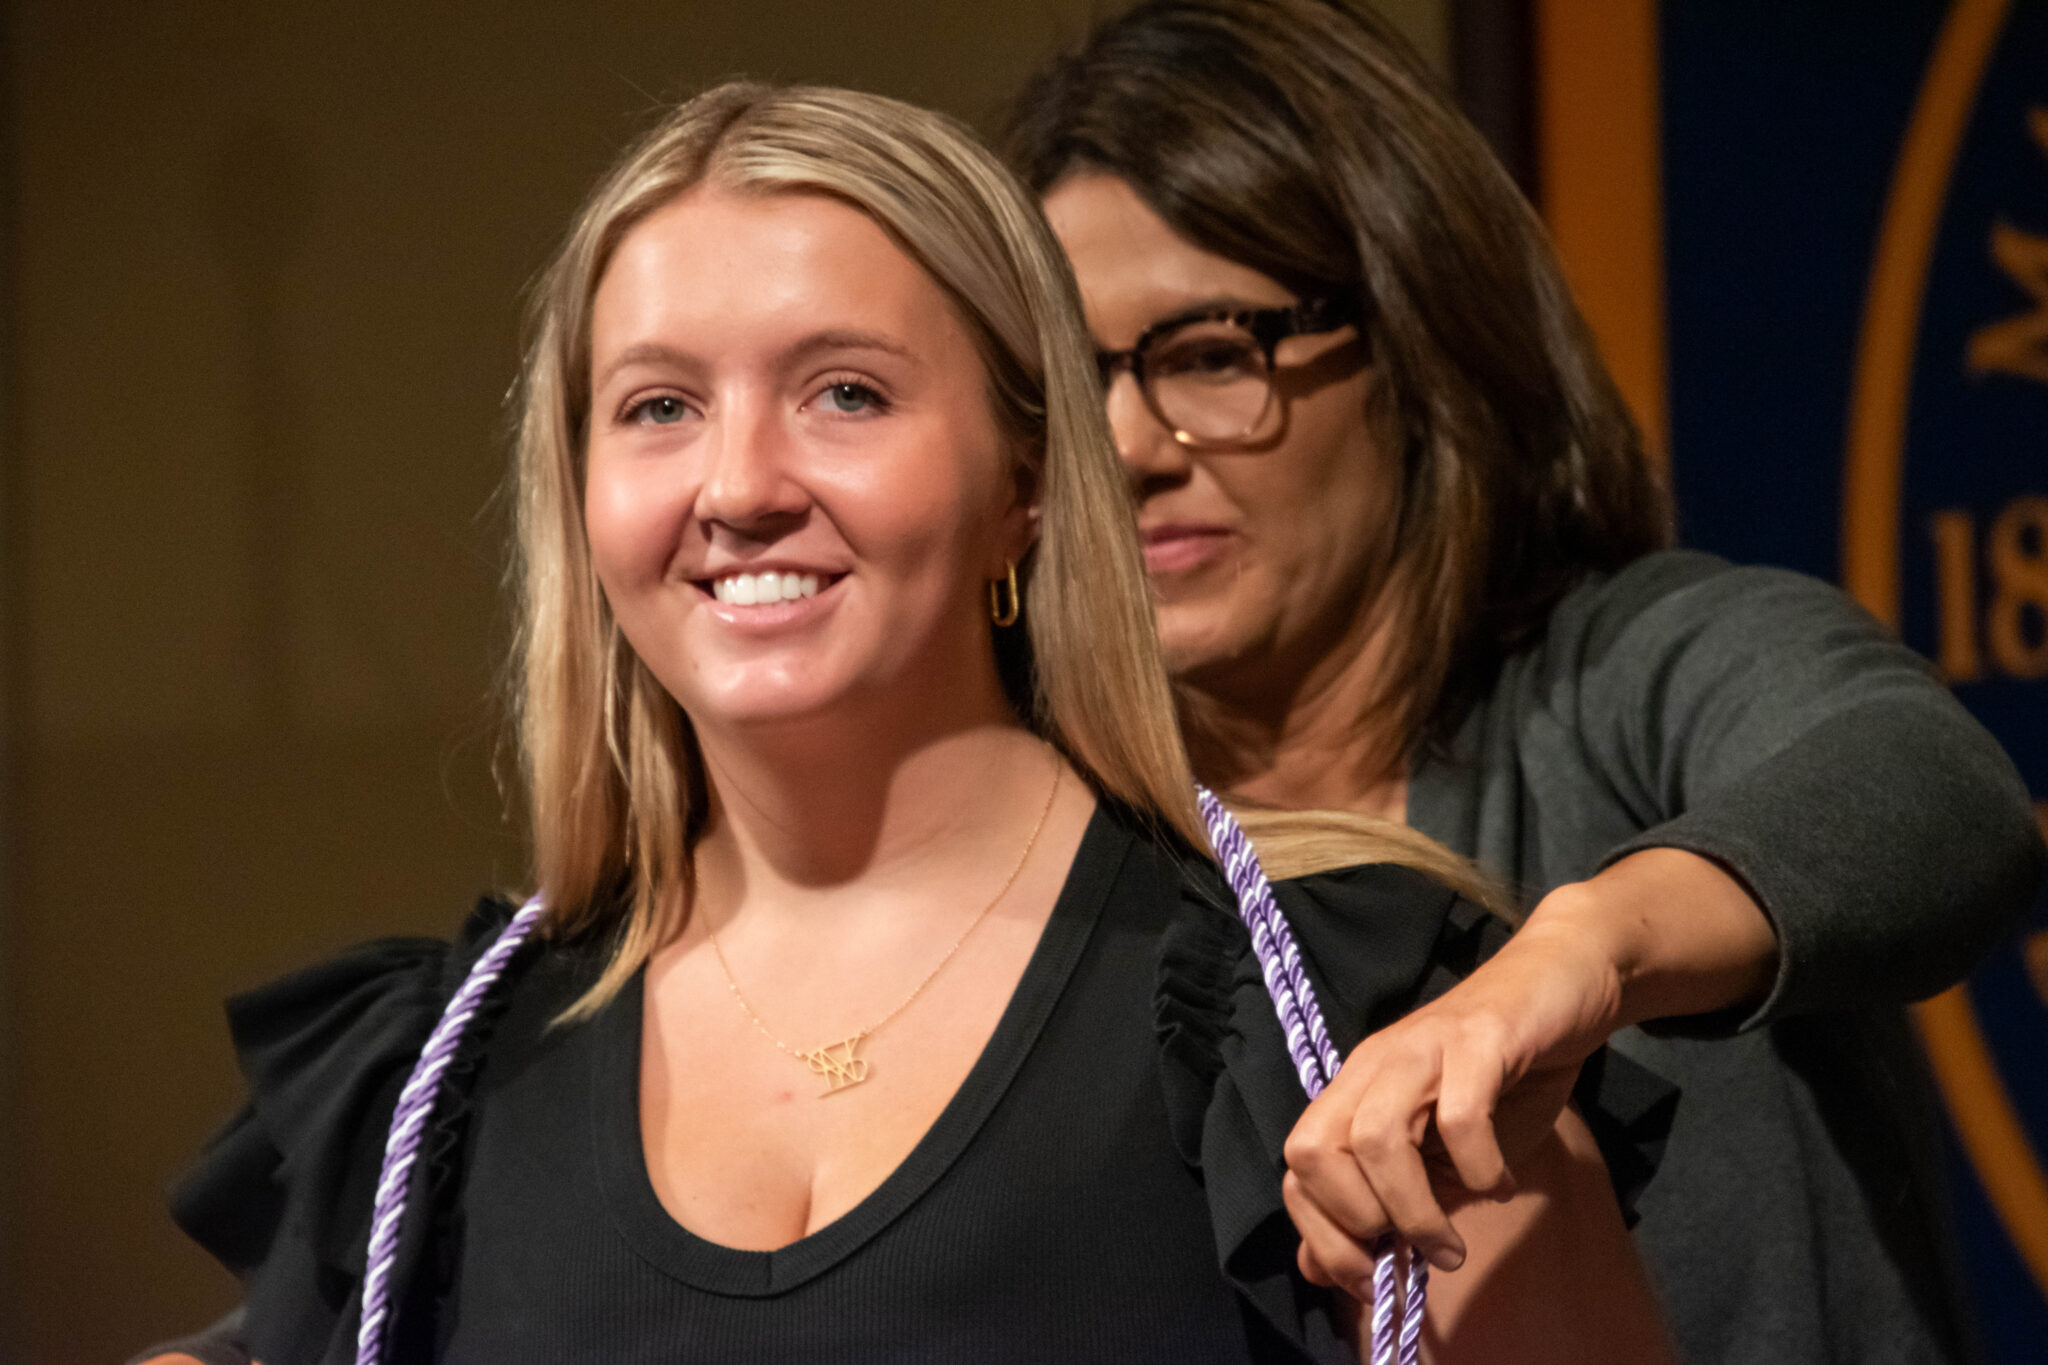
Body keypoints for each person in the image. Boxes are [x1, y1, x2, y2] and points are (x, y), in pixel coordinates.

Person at [138, 82, 1677, 1365]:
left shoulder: (1343, 1031)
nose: (739, 485)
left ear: (1024, 482)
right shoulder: (437, 1087)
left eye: (847, 394)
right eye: (659, 405)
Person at [999, 2, 2046, 1362]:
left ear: (1418, 346)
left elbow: (1931, 787)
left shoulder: (1618, 677)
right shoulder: (1046, 835)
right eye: (1073, 391)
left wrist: (1580, 954)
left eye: (1210, 354)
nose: (1132, 444)